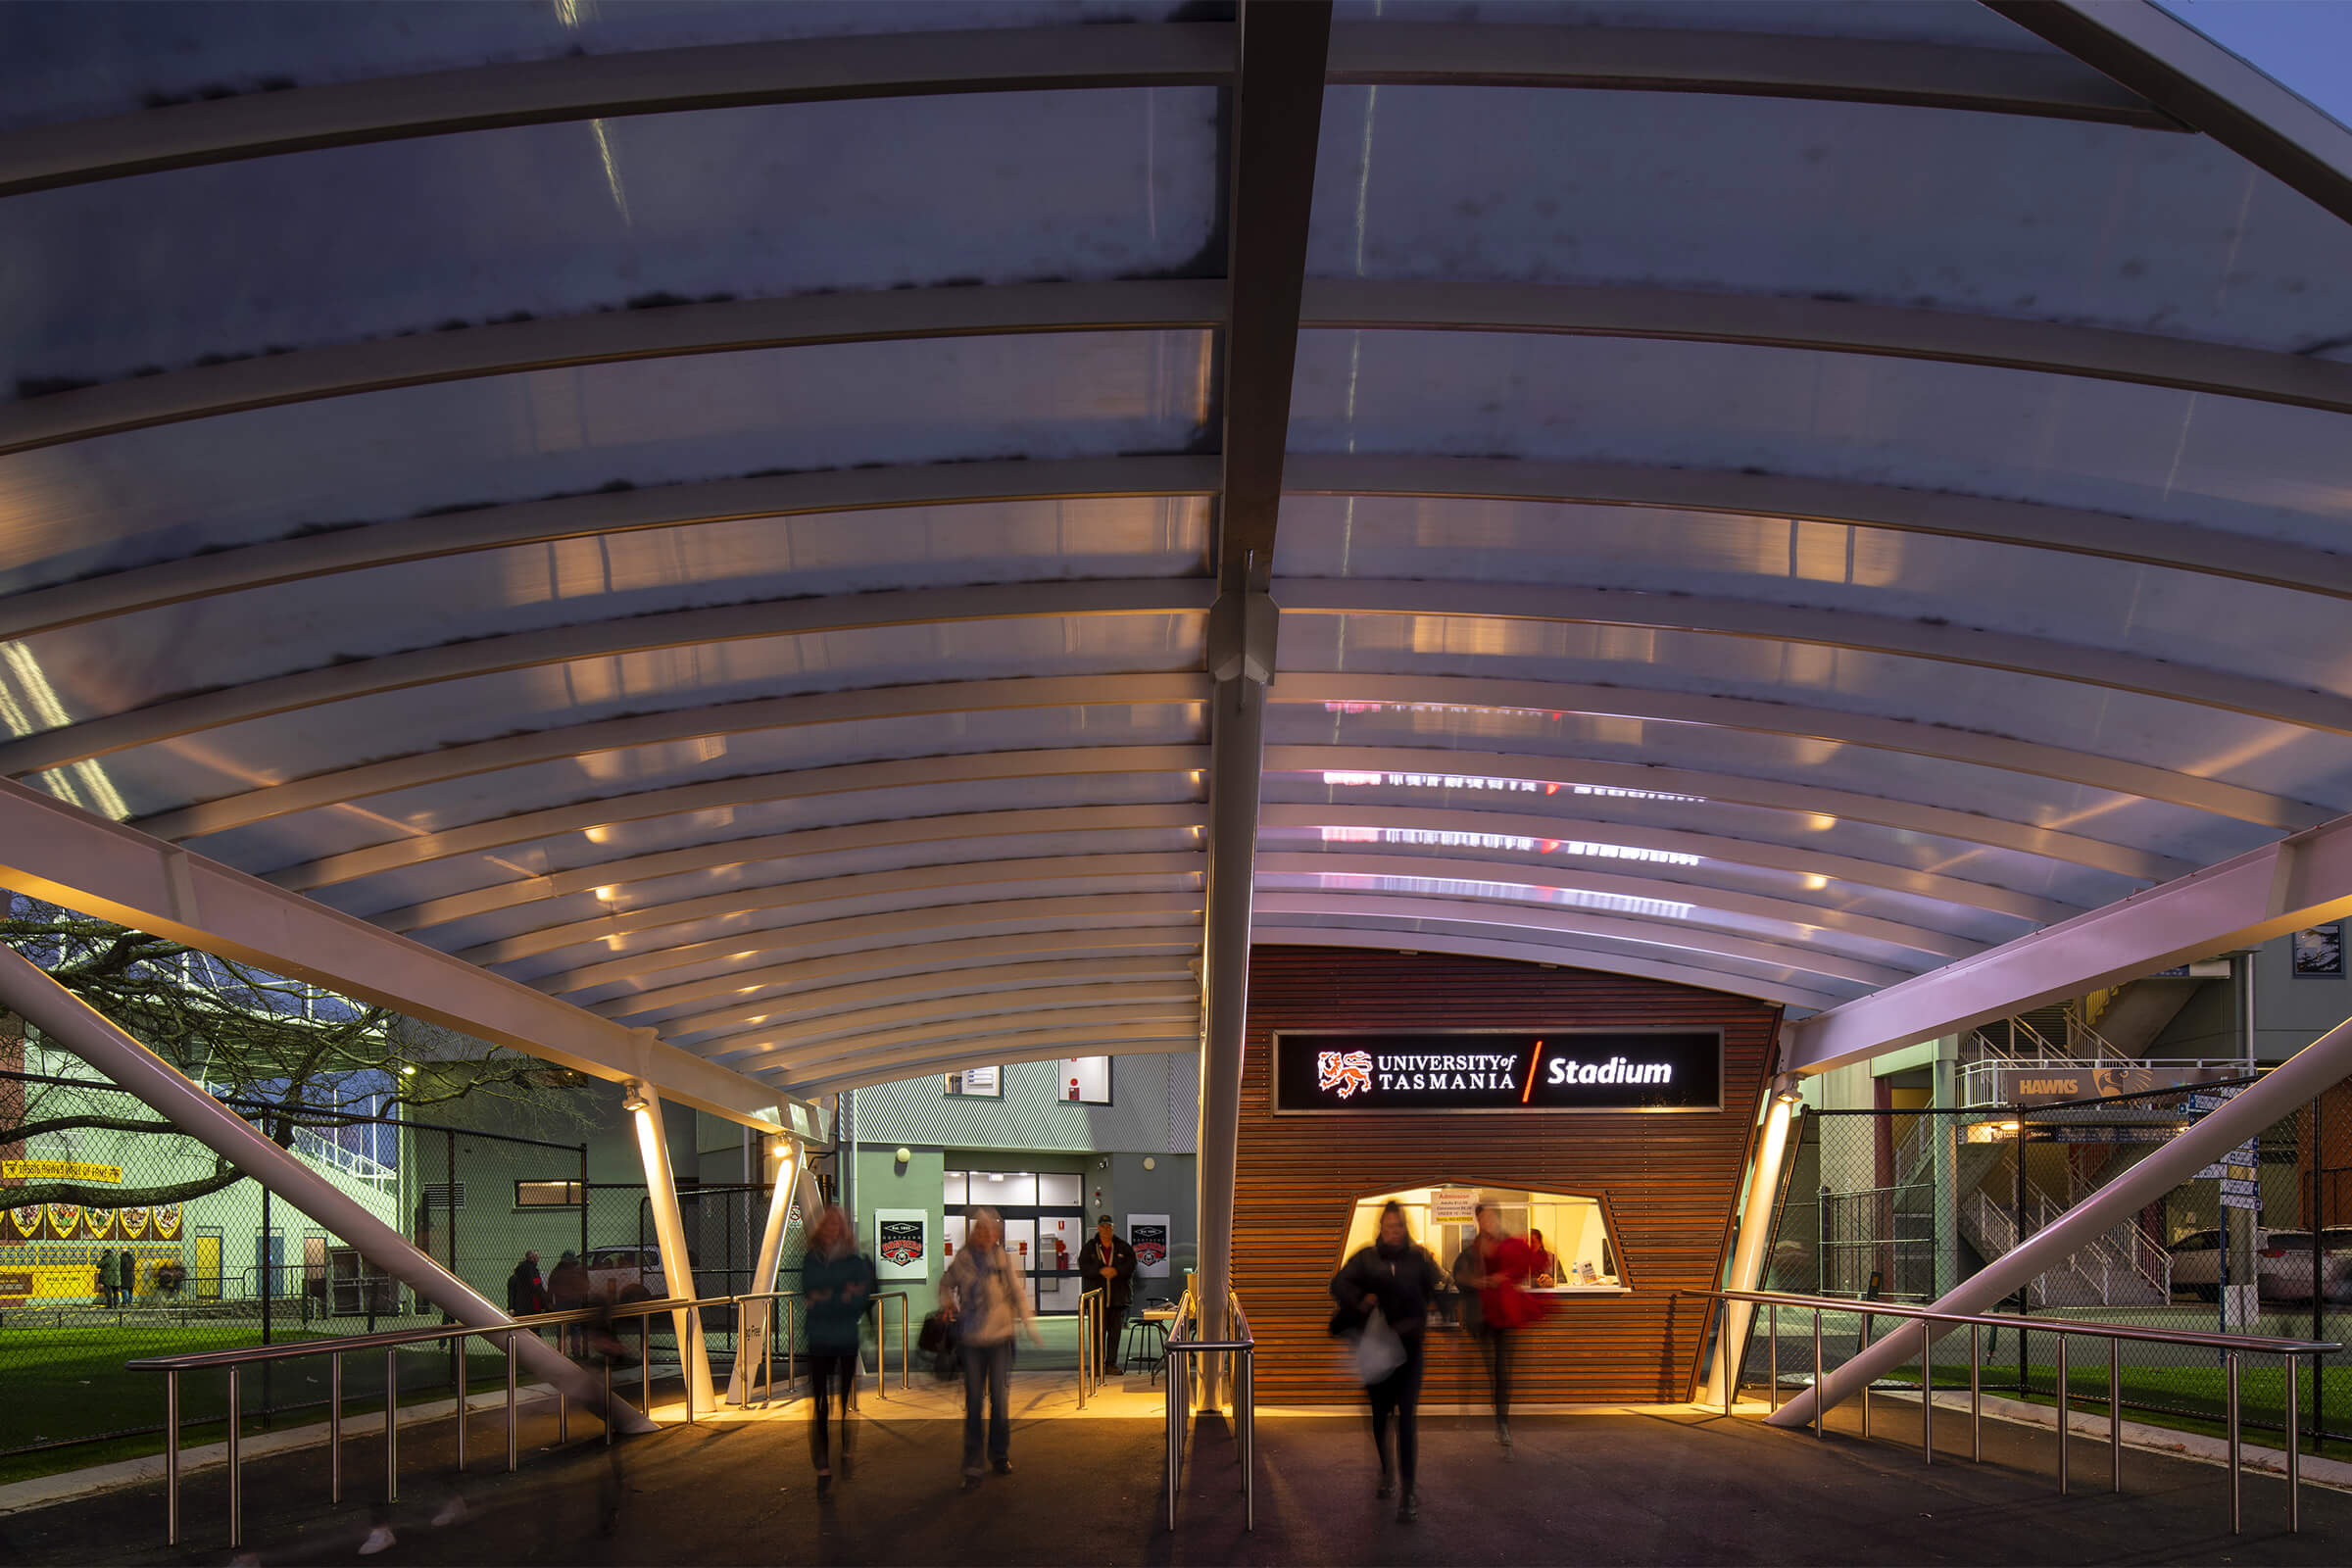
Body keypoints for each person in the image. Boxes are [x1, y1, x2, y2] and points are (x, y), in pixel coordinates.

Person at [1332, 1200, 1444, 1521]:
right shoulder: (1366, 1258)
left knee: (1407, 1419)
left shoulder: (1418, 1258)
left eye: (1398, 1226)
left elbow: (1439, 1289)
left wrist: (1448, 1325)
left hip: (1410, 1349)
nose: (1393, 1231)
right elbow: (1336, 1284)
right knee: (1381, 1416)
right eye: (1388, 1226)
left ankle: (1408, 1493)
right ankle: (1387, 1474)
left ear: (1405, 1227)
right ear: (1380, 1227)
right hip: (1377, 1349)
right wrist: (1361, 1300)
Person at [938, 1205, 1041, 1489]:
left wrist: (1029, 1324)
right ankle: (972, 1464)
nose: (984, 1235)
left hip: (999, 1339)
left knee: (999, 1399)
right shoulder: (963, 1259)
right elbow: (945, 1283)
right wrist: (947, 1303)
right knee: (973, 1402)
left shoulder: (1002, 1259)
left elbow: (1018, 1295)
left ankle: (999, 1454)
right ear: (973, 1234)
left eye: (988, 1230)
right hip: (971, 1340)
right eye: (979, 1230)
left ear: (995, 1235)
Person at [800, 1204, 876, 1497]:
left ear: (842, 1228)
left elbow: (859, 1296)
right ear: (822, 1228)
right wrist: (841, 1292)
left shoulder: (853, 1260)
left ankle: (845, 1450)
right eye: (828, 1223)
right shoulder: (812, 1259)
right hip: (819, 1338)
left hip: (844, 1337)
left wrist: (827, 1296)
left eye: (837, 1223)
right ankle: (823, 1468)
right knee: (819, 1404)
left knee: (844, 1401)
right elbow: (810, 1288)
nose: (832, 1227)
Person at [1454, 1204, 1538, 1449]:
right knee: (1492, 1369)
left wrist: (1505, 1279)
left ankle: (1502, 1423)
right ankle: (1483, 1415)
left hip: (1505, 1314)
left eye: (1490, 1217)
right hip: (1483, 1316)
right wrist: (1479, 1282)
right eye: (1483, 1218)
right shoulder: (1473, 1249)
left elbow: (1521, 1268)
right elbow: (1458, 1276)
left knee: (1501, 1370)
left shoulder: (1508, 1245)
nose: (1487, 1221)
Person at [1076, 1214, 1136, 1376]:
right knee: (1097, 1335)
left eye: (1109, 1226)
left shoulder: (1123, 1247)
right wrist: (1100, 1271)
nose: (1106, 1229)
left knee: (1114, 1335)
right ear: (1098, 1228)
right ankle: (1096, 1366)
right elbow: (1083, 1267)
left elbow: (1131, 1265)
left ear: (1113, 1227)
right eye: (1103, 1226)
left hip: (1117, 1300)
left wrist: (1116, 1271)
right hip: (1097, 1301)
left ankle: (1111, 1364)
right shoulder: (1089, 1247)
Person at [547, 1250, 591, 1353]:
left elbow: (551, 1287)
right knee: (574, 1326)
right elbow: (586, 1285)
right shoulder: (579, 1269)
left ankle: (562, 1350)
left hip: (561, 1301)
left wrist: (549, 1301)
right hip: (574, 1300)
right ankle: (575, 1350)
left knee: (562, 1326)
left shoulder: (558, 1270)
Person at [506, 1250, 548, 1315]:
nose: (538, 1258)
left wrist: (511, 1307)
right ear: (533, 1258)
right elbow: (538, 1287)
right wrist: (544, 1304)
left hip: (519, 1307)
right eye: (536, 1256)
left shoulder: (515, 1276)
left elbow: (511, 1293)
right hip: (534, 1306)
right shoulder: (534, 1273)